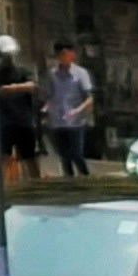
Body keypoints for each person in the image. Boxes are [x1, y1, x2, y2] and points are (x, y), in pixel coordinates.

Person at [40, 41, 95, 182]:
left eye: (67, 54)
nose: (64, 57)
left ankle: (86, 179)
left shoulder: (81, 73)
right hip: (57, 121)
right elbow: (47, 95)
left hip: (75, 122)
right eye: (61, 54)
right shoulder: (52, 74)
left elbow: (89, 98)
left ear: (72, 55)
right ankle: (69, 184)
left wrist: (78, 110)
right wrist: (46, 108)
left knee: (77, 154)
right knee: (65, 157)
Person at [0, 38, 41, 173]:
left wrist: (13, 88)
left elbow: (32, 85)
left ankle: (36, 187)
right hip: (4, 122)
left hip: (23, 121)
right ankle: (4, 187)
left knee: (30, 157)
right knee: (4, 157)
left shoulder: (23, 71)